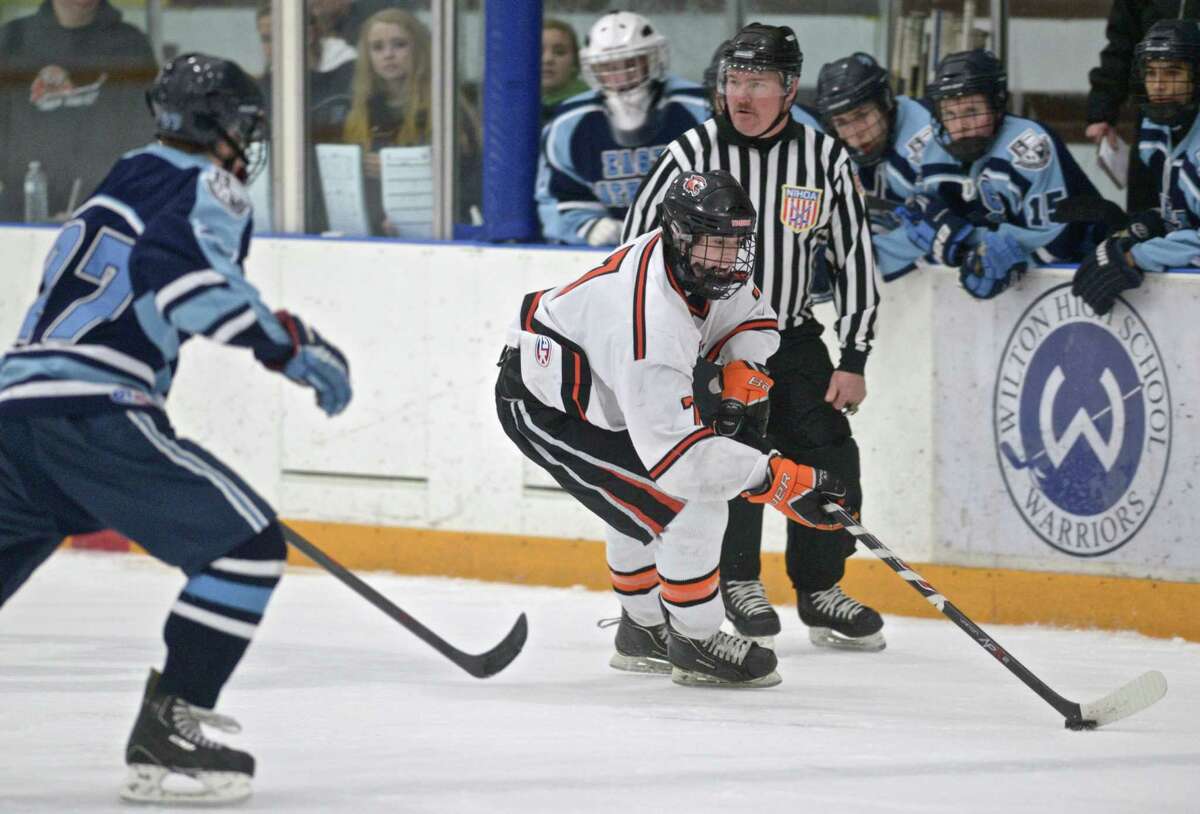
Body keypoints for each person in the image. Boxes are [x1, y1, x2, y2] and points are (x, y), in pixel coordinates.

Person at [0, 53, 352, 804]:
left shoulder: (124, 175)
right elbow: (181, 276)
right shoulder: (207, 184)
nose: (245, 143)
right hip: (89, 413)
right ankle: (169, 738)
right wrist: (287, 344)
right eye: (243, 126)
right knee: (247, 552)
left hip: (16, 413)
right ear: (216, 123)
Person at [498, 168, 848, 687]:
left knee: (643, 502)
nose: (728, 258)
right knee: (685, 504)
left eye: (736, 243)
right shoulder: (649, 327)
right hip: (548, 406)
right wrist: (775, 479)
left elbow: (754, 319)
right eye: (714, 244)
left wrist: (740, 370)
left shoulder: (700, 265)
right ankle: (695, 640)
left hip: (610, 392)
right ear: (679, 236)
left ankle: (642, 630)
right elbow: (681, 464)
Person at [623, 24, 885, 652]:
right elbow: (634, 248)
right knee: (730, 458)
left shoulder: (824, 159)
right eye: (733, 81)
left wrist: (853, 356)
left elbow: (855, 261)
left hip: (792, 338)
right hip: (706, 343)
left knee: (829, 453)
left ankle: (821, 588)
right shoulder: (689, 153)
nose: (741, 95)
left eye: (757, 82)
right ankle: (739, 580)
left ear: (789, 88)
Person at [873, 49, 1106, 297]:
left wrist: (992, 254)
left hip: (1085, 278)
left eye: (972, 112)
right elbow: (927, 227)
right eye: (950, 114)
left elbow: (1060, 241)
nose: (961, 125)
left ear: (996, 104)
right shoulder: (933, 150)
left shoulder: (1029, 147)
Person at [535, 10, 709, 246]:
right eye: (608, 66)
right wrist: (588, 226)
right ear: (592, 68)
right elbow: (555, 195)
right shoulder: (568, 121)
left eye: (630, 62)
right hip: (607, 256)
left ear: (652, 58)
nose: (619, 75)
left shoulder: (699, 107)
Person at [1074, 19, 1200, 313]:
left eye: (1172, 72)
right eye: (1151, 72)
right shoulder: (1160, 128)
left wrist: (1137, 257)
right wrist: (1144, 226)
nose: (1158, 85)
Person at [0, 0, 157, 221]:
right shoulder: (11, 40)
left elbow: (142, 136)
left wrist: (93, 203)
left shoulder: (130, 44)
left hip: (105, 211)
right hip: (22, 209)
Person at [342, 8, 481, 234]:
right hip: (373, 232)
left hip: (440, 230)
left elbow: (466, 179)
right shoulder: (358, 111)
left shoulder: (446, 107)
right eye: (377, 47)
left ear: (419, 49)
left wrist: (396, 170)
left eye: (399, 44)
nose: (388, 54)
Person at [1085, 1, 1200, 212]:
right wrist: (1102, 110)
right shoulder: (1150, 129)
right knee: (1145, 212)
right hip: (1154, 114)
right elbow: (1121, 46)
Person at [256, 1, 355, 231]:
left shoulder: (350, 73)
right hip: (288, 198)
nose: (271, 46)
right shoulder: (264, 88)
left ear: (308, 34)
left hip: (340, 194)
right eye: (265, 39)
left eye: (277, 36)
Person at [814, 52, 935, 212]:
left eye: (862, 115)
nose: (855, 133)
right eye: (841, 122)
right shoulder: (841, 155)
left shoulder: (924, 140)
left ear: (884, 103)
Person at [541, 18, 588, 124]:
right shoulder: (515, 102)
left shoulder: (587, 105)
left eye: (559, 52)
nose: (547, 59)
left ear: (575, 62)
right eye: (538, 51)